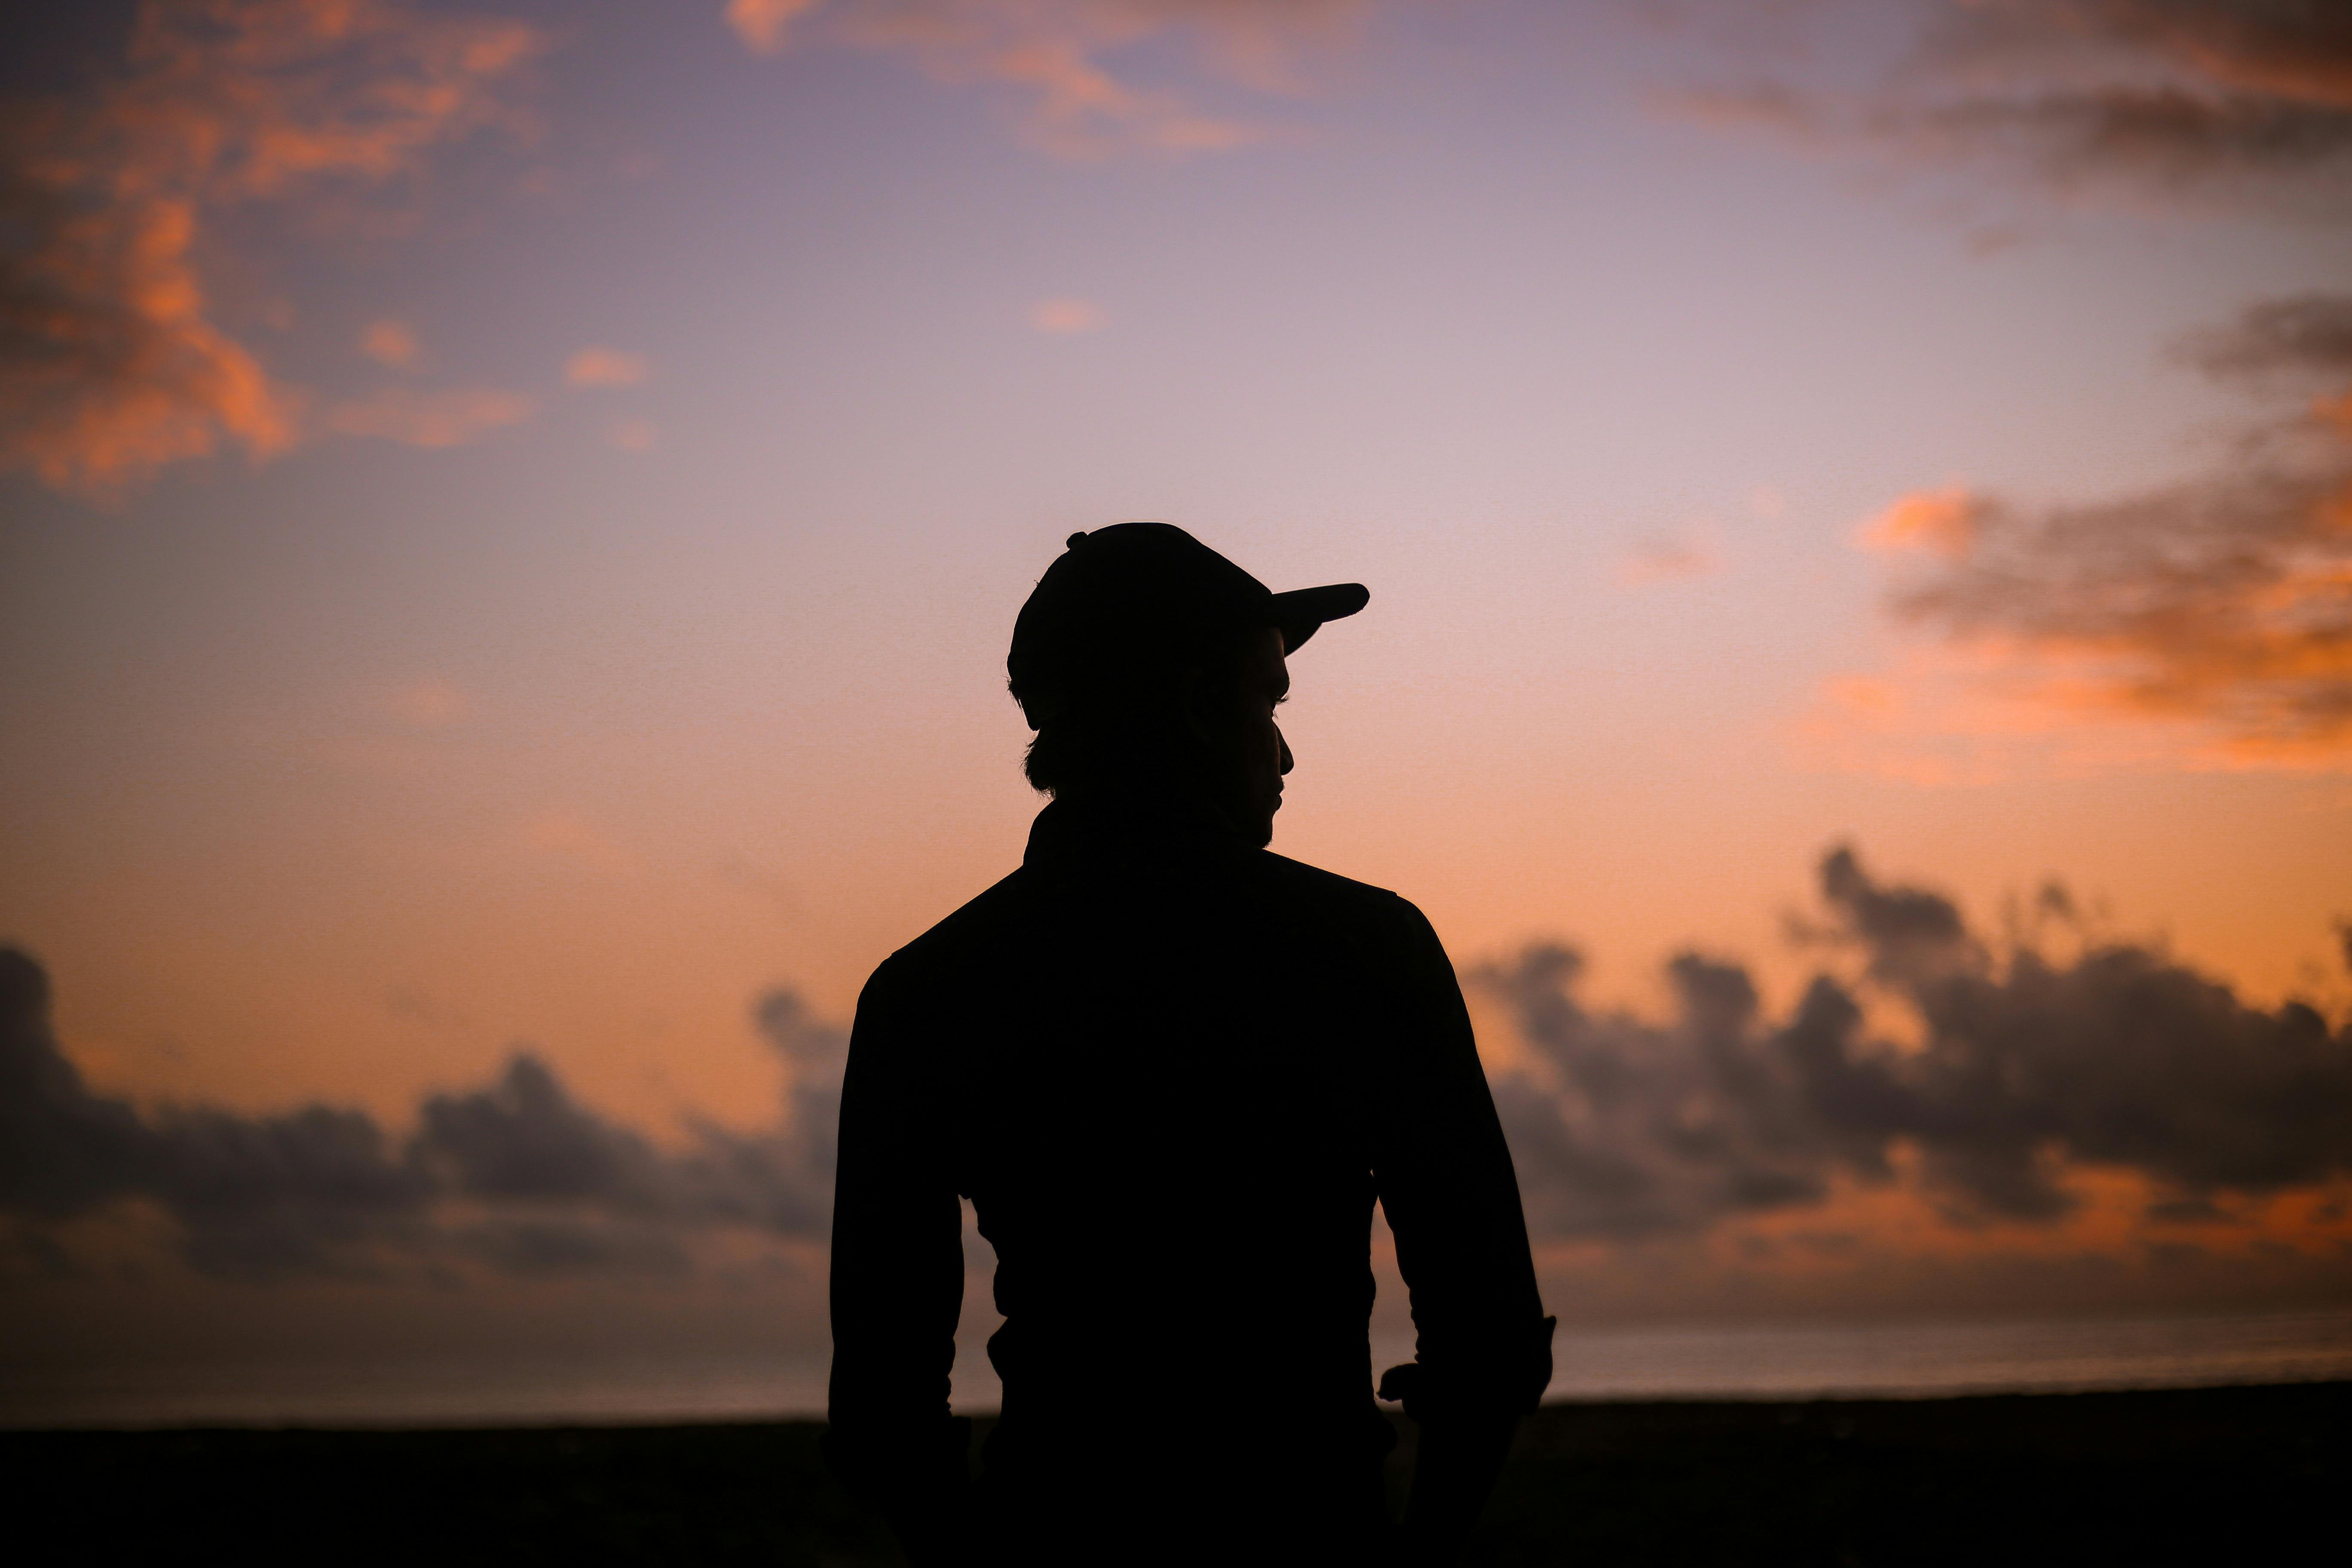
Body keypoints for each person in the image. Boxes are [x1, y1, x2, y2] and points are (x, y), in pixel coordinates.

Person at [824, 524, 1553, 1565]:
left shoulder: (927, 991)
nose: (1288, 748)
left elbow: (885, 1397)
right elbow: (1486, 1331)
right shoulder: (1362, 949)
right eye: (1271, 702)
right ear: (1201, 708)